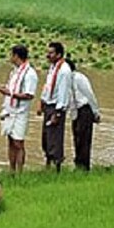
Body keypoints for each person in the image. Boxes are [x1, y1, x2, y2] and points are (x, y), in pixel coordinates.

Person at [0, 45, 38, 173]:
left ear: (16, 56)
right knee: (10, 140)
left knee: (18, 143)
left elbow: (29, 95)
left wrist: (9, 93)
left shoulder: (30, 74)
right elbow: (13, 88)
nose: (10, 57)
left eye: (12, 55)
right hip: (10, 110)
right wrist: (8, 90)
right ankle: (11, 170)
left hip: (20, 113)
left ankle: (20, 171)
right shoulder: (14, 71)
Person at [38, 42, 72, 172]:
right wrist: (42, 103)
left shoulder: (64, 70)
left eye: (51, 53)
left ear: (58, 54)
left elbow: (63, 93)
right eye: (48, 52)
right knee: (46, 137)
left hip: (56, 108)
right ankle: (48, 164)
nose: (48, 55)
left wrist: (57, 113)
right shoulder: (53, 68)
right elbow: (47, 86)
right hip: (48, 105)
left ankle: (57, 167)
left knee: (55, 138)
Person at [69, 60, 101, 171]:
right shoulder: (66, 80)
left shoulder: (79, 78)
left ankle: (84, 166)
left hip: (85, 110)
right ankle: (78, 163)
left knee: (84, 139)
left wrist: (95, 112)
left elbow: (89, 94)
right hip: (75, 112)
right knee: (77, 137)